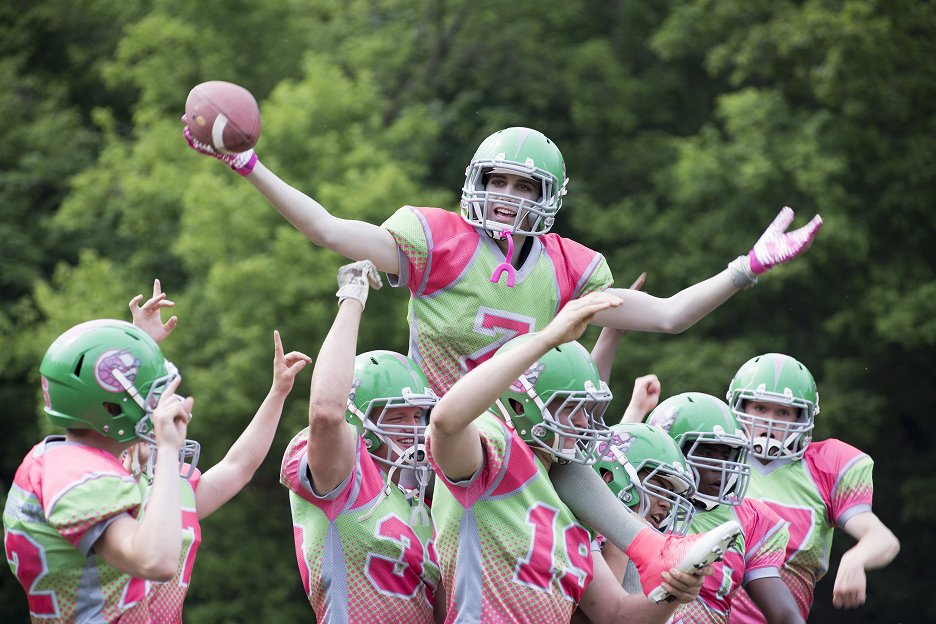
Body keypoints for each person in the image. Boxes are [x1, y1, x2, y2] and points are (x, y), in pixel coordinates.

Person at [186, 123, 822, 597]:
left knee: (592, 449)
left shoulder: (570, 263)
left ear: (551, 195)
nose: (508, 196)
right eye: (497, 180)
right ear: (475, 182)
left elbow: (667, 315)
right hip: (437, 442)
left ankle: (651, 552)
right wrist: (248, 164)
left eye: (525, 185)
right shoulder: (437, 237)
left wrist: (746, 268)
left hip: (529, 444)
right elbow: (327, 230)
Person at [427, 291, 742, 624]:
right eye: (570, 408)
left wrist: (674, 594)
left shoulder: (574, 507)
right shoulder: (492, 454)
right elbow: (445, 422)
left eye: (589, 409)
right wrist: (547, 338)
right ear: (519, 404)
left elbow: (618, 616)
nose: (583, 422)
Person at [119, 279, 312, 622]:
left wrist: (278, 391)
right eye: (165, 407)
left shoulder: (174, 483)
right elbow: (105, 392)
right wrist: (140, 344)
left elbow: (239, 466)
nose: (177, 419)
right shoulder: (103, 476)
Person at [280, 261, 443, 623]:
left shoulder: (425, 501)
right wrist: (352, 297)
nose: (413, 427)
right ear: (358, 422)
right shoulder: (345, 479)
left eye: (418, 416)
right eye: (396, 417)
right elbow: (325, 412)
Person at [3, 318, 191, 623]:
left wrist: (138, 347)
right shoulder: (81, 475)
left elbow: (90, 378)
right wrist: (168, 449)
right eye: (151, 394)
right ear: (112, 408)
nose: (158, 403)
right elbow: (156, 561)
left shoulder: (59, 460)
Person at [723, 353, 900, 622]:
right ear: (741, 408)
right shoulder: (714, 459)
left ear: (800, 418)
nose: (770, 423)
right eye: (760, 408)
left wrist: (856, 558)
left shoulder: (824, 468)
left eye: (783, 412)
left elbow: (883, 540)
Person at [645, 392, 804, 624]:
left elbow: (785, 615)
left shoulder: (748, 519)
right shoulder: (636, 505)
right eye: (707, 453)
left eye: (727, 455)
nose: (721, 468)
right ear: (669, 449)